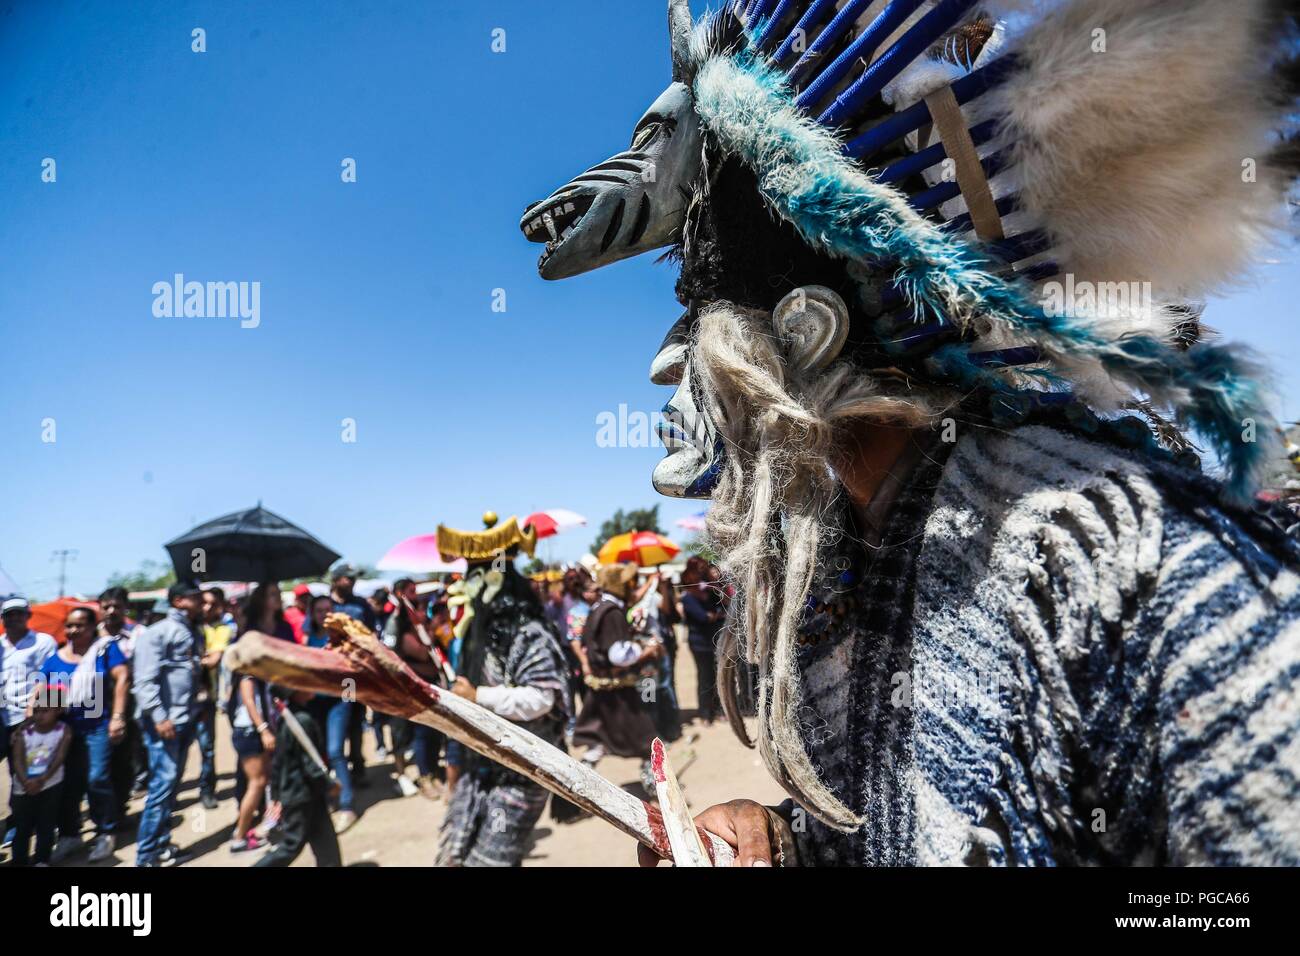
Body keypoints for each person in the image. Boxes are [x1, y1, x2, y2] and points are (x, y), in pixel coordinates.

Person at [528, 1, 1300, 867]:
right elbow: (900, 828)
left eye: (700, 337)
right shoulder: (841, 559)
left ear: (805, 336)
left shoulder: (1109, 554)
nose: (676, 381)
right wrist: (781, 844)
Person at [434, 512, 573, 866]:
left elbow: (542, 698)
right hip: (477, 765)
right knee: (454, 855)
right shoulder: (473, 632)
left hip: (522, 768)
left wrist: (477, 696)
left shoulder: (531, 633)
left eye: (475, 576)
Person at [39, 606, 129, 863]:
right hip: (64, 728)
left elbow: (122, 679)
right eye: (69, 625)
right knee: (67, 783)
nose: (73, 630)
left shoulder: (104, 650)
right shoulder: (56, 658)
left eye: (80, 625)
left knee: (96, 778)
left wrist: (118, 717)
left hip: (97, 725)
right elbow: (44, 692)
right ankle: (70, 834)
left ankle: (105, 831)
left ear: (92, 626)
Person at [132, 579, 205, 867]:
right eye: (196, 598)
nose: (202, 603)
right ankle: (145, 857)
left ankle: (162, 845)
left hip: (184, 720)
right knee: (161, 787)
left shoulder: (190, 632)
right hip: (164, 724)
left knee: (171, 786)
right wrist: (159, 717)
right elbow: (144, 682)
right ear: (178, 601)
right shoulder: (157, 633)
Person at [572, 563, 662, 779]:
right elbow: (618, 655)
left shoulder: (600, 608)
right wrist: (645, 651)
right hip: (618, 691)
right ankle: (656, 783)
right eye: (629, 582)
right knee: (646, 739)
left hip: (605, 689)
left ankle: (579, 784)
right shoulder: (612, 613)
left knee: (599, 741)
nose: (633, 586)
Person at [226, 583, 290, 853]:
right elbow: (246, 688)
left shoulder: (283, 630)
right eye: (272, 594)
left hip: (274, 719)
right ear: (261, 600)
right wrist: (263, 728)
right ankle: (239, 837)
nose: (278, 598)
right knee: (258, 782)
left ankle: (266, 825)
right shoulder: (248, 638)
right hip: (252, 726)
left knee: (269, 779)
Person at [255, 687, 342, 868]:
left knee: (326, 842)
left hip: (307, 793)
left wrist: (277, 793)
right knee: (291, 846)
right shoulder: (302, 720)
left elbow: (278, 762)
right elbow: (310, 764)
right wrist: (329, 785)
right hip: (300, 795)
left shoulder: (289, 717)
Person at [1, 597, 58, 848]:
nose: (13, 619)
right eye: (8, 615)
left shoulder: (43, 643)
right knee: (13, 776)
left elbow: (49, 679)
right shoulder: (0, 645)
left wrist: (35, 715)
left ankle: (25, 827)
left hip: (30, 719)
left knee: (25, 774)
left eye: (18, 614)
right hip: (2, 717)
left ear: (28, 615)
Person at [383, 577, 446, 802]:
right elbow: (392, 658)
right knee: (419, 732)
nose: (414, 595)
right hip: (410, 687)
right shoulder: (396, 621)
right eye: (410, 591)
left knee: (433, 731)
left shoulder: (419, 618)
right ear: (399, 594)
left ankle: (433, 772)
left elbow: (430, 646)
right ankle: (423, 776)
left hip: (431, 683)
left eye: (415, 591)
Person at [303, 593, 361, 830]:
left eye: (329, 609)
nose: (324, 614)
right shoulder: (308, 637)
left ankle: (347, 806)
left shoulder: (345, 636)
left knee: (335, 750)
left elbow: (354, 669)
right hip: (316, 701)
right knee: (321, 752)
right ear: (312, 614)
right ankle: (330, 796)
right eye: (319, 610)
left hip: (339, 700)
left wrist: (347, 699)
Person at [8, 689, 71, 866]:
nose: (39, 715)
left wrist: (43, 779)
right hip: (23, 788)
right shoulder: (24, 732)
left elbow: (60, 757)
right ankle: (19, 860)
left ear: (58, 710)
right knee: (22, 827)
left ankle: (42, 859)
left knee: (46, 825)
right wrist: (26, 781)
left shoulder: (63, 731)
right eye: (37, 711)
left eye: (45, 711)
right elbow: (18, 758)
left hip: (51, 786)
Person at [99, 586, 145, 818]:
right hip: (96, 703)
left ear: (126, 608)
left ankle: (119, 808)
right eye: (106, 606)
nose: (111, 611)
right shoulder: (92, 635)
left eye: (117, 606)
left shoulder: (139, 634)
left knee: (124, 755)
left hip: (129, 703)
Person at [330, 565, 373, 789]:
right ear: (336, 580)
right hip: (331, 675)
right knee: (335, 724)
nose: (352, 582)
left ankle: (357, 766)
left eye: (354, 579)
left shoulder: (361, 605)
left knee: (355, 721)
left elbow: (372, 634)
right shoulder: (325, 605)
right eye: (348, 579)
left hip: (355, 675)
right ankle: (336, 771)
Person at [195, 587, 236, 810]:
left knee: (206, 746)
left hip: (207, 697)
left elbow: (213, 660)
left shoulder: (223, 629)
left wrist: (190, 659)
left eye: (213, 603)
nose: (207, 607)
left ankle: (207, 789)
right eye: (204, 602)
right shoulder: (190, 627)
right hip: (182, 699)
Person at [678, 559, 722, 724]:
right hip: (699, 643)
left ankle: (716, 709)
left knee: (717, 676)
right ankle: (705, 713)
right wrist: (714, 616)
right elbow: (704, 617)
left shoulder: (709, 592)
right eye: (700, 570)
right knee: (705, 677)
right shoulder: (688, 597)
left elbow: (719, 609)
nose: (703, 573)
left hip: (714, 640)